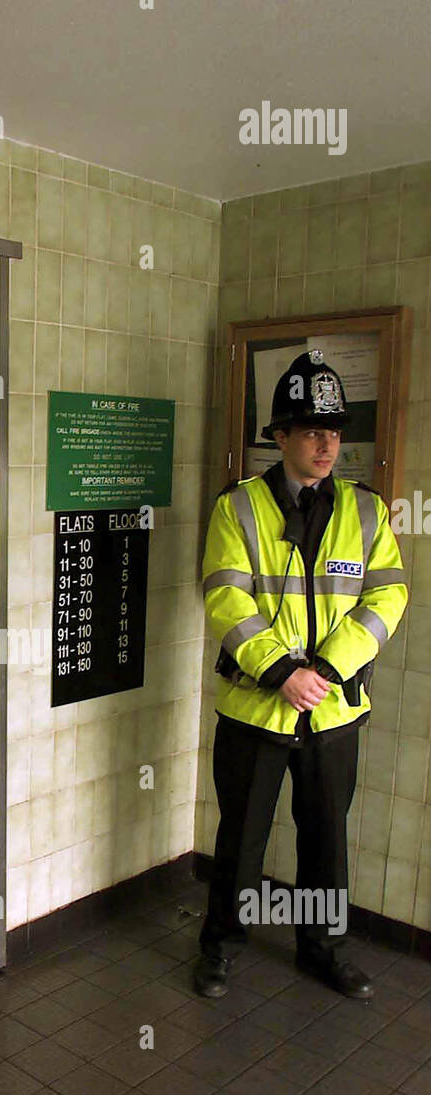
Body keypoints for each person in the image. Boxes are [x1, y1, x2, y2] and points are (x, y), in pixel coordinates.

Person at [194, 349, 409, 1000]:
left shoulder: (367, 512)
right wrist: (283, 671)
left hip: (334, 711)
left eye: (335, 431)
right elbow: (224, 596)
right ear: (280, 436)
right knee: (241, 841)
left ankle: (323, 950)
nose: (326, 444)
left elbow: (390, 595)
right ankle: (220, 948)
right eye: (312, 430)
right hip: (257, 710)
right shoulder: (238, 509)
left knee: (326, 843)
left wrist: (328, 669)